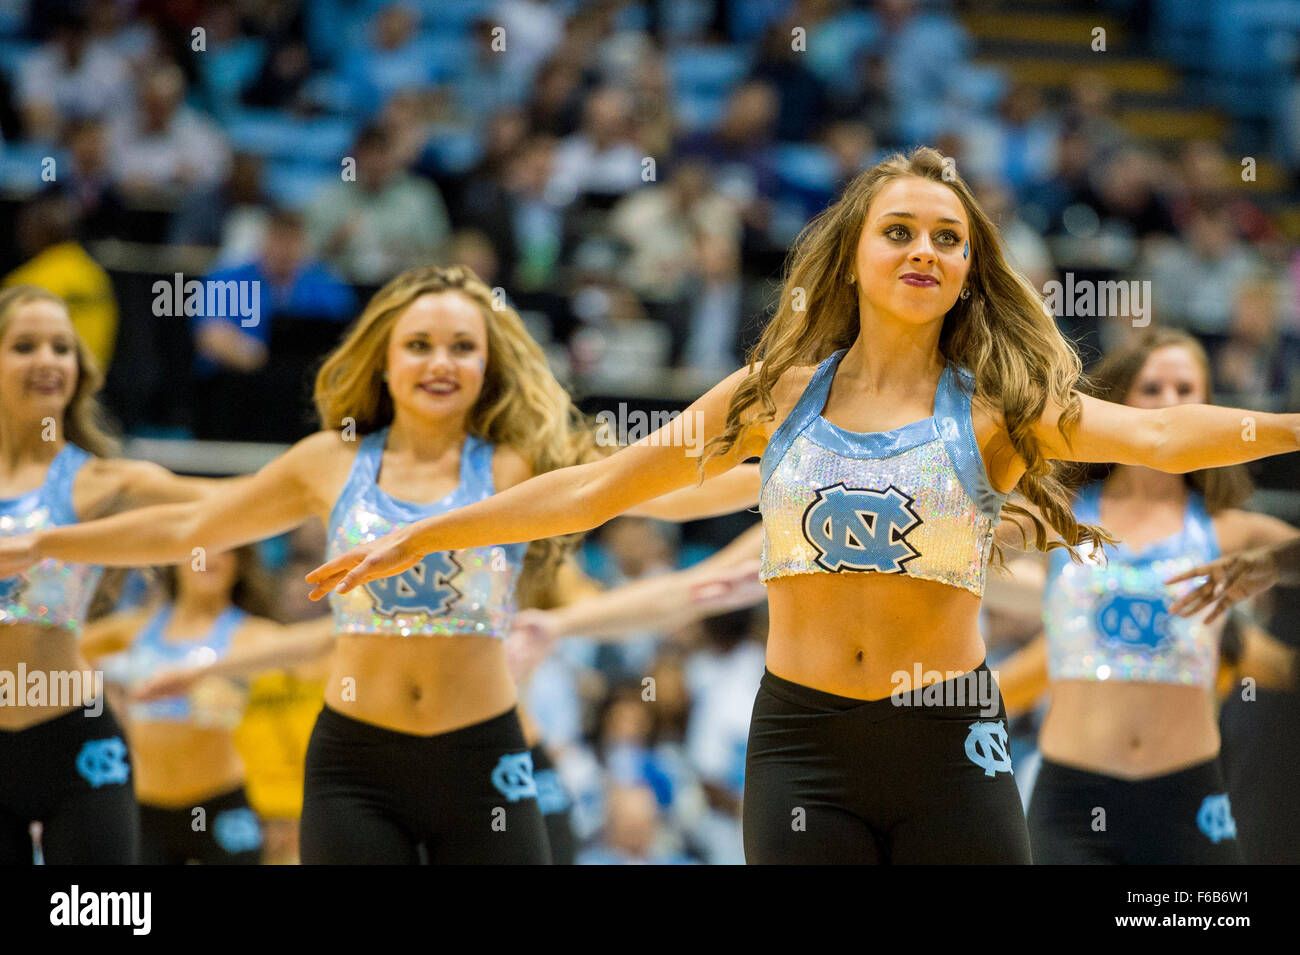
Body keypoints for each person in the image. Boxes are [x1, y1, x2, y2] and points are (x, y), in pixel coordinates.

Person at [306, 147, 1300, 864]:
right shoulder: (775, 394)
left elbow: (1164, 437)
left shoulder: (1000, 403)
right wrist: (430, 529)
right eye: (899, 231)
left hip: (948, 738)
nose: (924, 250)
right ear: (854, 253)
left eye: (947, 239)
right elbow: (599, 487)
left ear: (968, 270)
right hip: (802, 743)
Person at [0, 266, 758, 864]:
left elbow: (664, 486)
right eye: (419, 344)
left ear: (489, 364)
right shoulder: (328, 464)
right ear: (384, 360)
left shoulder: (519, 462)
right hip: (355, 765)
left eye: (463, 346)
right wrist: (44, 543)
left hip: (485, 757)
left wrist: (786, 475)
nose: (441, 362)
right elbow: (191, 524)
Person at [989, 328, 1299, 863]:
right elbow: (952, 533)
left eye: (1186, 391)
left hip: (1190, 799)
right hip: (1071, 800)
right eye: (1152, 390)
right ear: (1120, 405)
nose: (1170, 405)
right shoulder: (1055, 514)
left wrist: (1272, 562)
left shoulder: (1233, 531)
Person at [0, 285, 230, 864]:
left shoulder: (103, 484)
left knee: (98, 913)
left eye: (63, 347)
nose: (49, 360)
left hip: (75, 741)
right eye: (25, 345)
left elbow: (239, 504)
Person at [81, 546, 332, 864]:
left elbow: (316, 657)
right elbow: (60, 648)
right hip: (143, 807)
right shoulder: (132, 629)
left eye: (225, 552)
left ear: (240, 565)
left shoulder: (252, 636)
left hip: (219, 804)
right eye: (199, 551)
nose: (210, 560)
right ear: (175, 562)